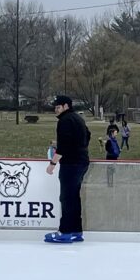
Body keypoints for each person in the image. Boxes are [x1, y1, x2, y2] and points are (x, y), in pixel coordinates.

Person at [47, 93, 90, 243]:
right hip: (82, 161)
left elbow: (63, 145)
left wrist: (52, 164)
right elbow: (88, 135)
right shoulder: (78, 118)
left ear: (66, 106)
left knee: (66, 197)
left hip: (71, 164)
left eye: (58, 107)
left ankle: (65, 231)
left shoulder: (65, 120)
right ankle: (76, 230)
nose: (56, 110)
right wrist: (81, 148)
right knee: (74, 196)